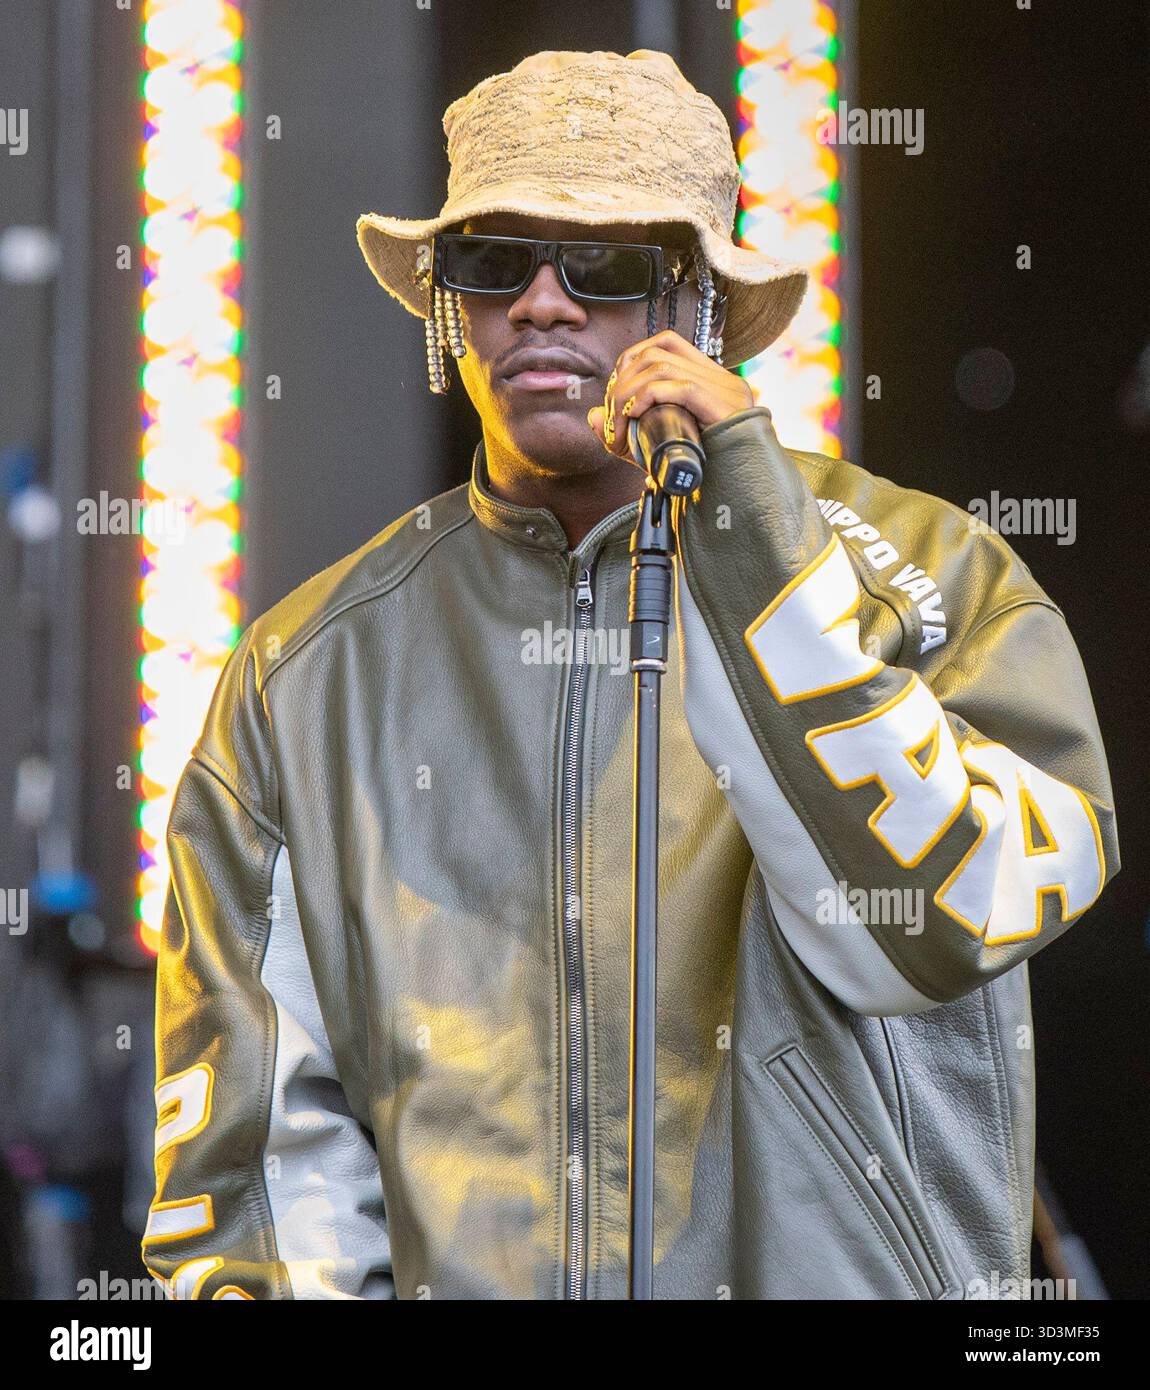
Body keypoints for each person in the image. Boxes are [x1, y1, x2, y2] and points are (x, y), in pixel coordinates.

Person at [142, 49, 1119, 1300]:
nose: (545, 304)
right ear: (449, 303)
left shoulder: (933, 575)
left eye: (604, 265)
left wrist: (758, 548)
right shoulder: (304, 673)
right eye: (496, 260)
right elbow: (256, 1170)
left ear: (701, 300)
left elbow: (947, 915)